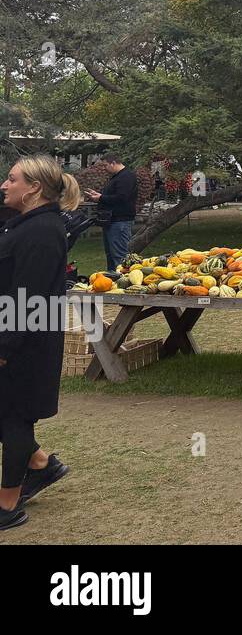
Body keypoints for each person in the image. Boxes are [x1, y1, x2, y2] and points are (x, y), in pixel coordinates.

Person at [0, 155, 80, 530]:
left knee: (14, 419)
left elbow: (28, 300)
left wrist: (5, 348)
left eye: (12, 179)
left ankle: (7, 505)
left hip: (25, 343)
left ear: (34, 188)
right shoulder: (27, 224)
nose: (4, 184)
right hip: (14, 334)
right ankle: (41, 465)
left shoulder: (43, 232)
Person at [82, 154, 137, 272]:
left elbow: (121, 197)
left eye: (106, 165)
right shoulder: (116, 177)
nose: (105, 168)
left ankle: (123, 281)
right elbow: (112, 195)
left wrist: (101, 198)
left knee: (120, 255)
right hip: (111, 221)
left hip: (120, 221)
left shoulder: (126, 177)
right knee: (110, 255)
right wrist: (98, 195)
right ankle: (112, 279)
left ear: (113, 163)